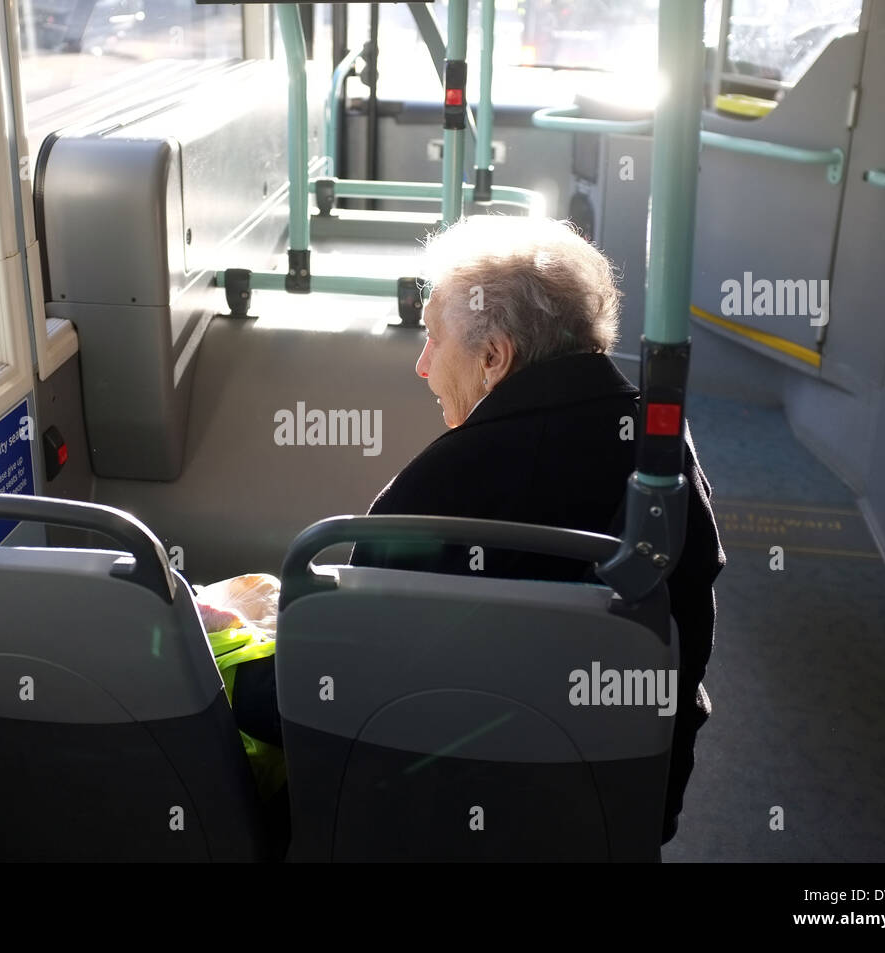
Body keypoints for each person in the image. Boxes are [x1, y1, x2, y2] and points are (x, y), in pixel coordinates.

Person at [230, 214, 726, 847]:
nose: (421, 365)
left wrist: (232, 656)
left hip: (425, 815)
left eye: (432, 339)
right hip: (619, 809)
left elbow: (339, 693)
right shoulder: (662, 456)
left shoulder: (434, 492)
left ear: (494, 358)